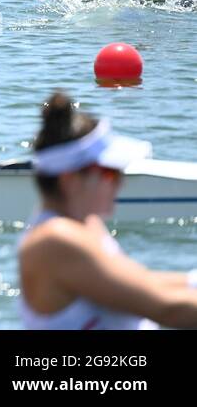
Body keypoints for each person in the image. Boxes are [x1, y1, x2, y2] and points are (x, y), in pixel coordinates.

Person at [18, 90, 197, 329]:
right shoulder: (56, 241)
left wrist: (191, 280)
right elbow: (168, 309)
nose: (120, 183)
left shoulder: (86, 225)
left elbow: (142, 282)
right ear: (71, 180)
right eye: (111, 173)